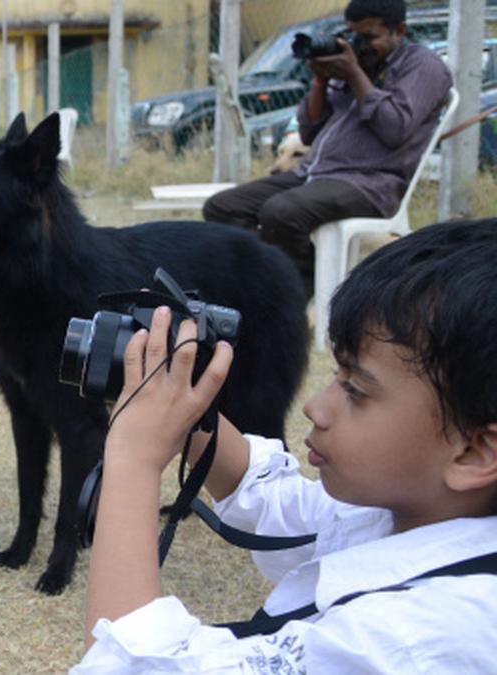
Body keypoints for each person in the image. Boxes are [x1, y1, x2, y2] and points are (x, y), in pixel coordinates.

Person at [73, 219, 497, 673]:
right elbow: (279, 507)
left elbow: (127, 667)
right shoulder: (416, 513)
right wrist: (181, 403)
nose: (316, 406)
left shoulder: (418, 638)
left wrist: (133, 458)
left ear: (475, 453)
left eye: (356, 390)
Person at [202, 0, 451, 298]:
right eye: (354, 35)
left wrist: (355, 75)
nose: (360, 44)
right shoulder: (358, 62)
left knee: (281, 212)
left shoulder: (423, 66)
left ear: (399, 31)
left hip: (368, 181)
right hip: (314, 173)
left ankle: (300, 287)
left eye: (370, 36)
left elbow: (395, 129)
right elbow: (308, 132)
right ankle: (283, 272)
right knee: (222, 208)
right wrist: (321, 80)